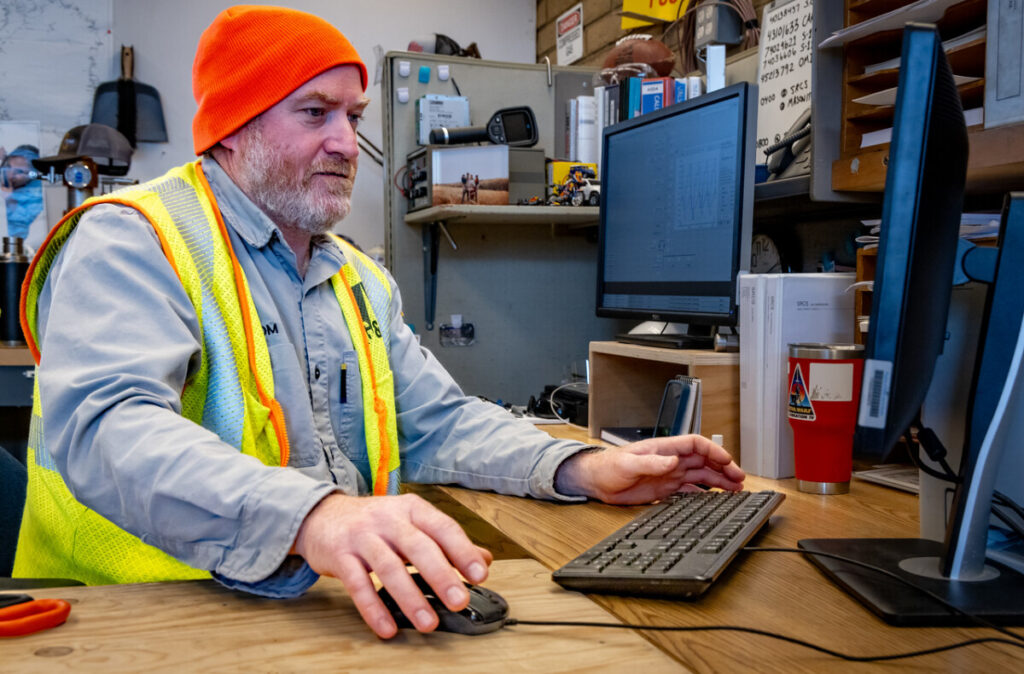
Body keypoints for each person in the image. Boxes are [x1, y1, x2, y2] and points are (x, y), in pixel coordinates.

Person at [13, 5, 744, 639]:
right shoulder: (132, 238)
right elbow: (109, 428)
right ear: (235, 126)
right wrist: (314, 517)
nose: (344, 143)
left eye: (353, 117)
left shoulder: (357, 277)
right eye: (315, 113)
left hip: (307, 607)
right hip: (127, 617)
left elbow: (437, 422)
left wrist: (580, 466)